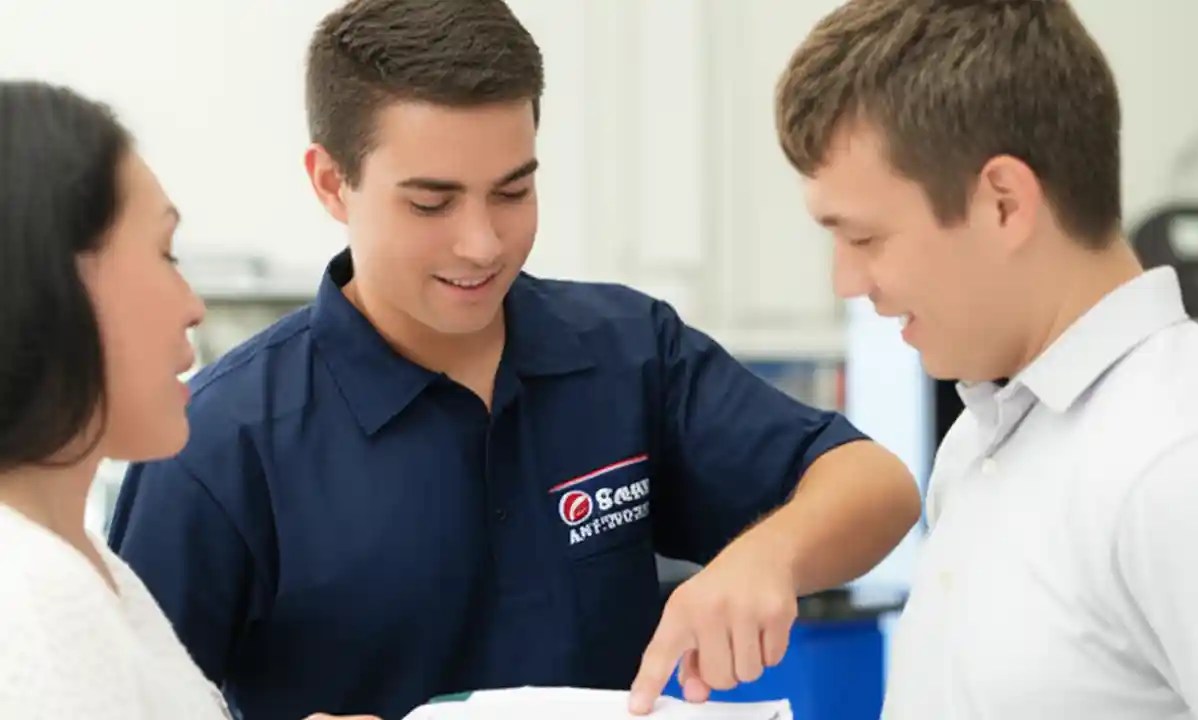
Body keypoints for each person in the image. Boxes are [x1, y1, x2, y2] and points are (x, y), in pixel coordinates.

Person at [106, 0, 921, 718]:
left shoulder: (626, 353)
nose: (482, 243)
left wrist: (767, 556)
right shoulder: (216, 444)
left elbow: (876, 484)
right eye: (432, 202)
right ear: (331, 183)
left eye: (512, 192)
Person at [775, 1, 1198, 719]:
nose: (846, 282)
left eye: (864, 239)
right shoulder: (982, 441)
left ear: (1004, 204)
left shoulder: (1192, 466)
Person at [0, 81, 372, 720]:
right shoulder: (29, 600)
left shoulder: (83, 571)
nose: (193, 306)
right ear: (55, 281)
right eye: (164, 254)